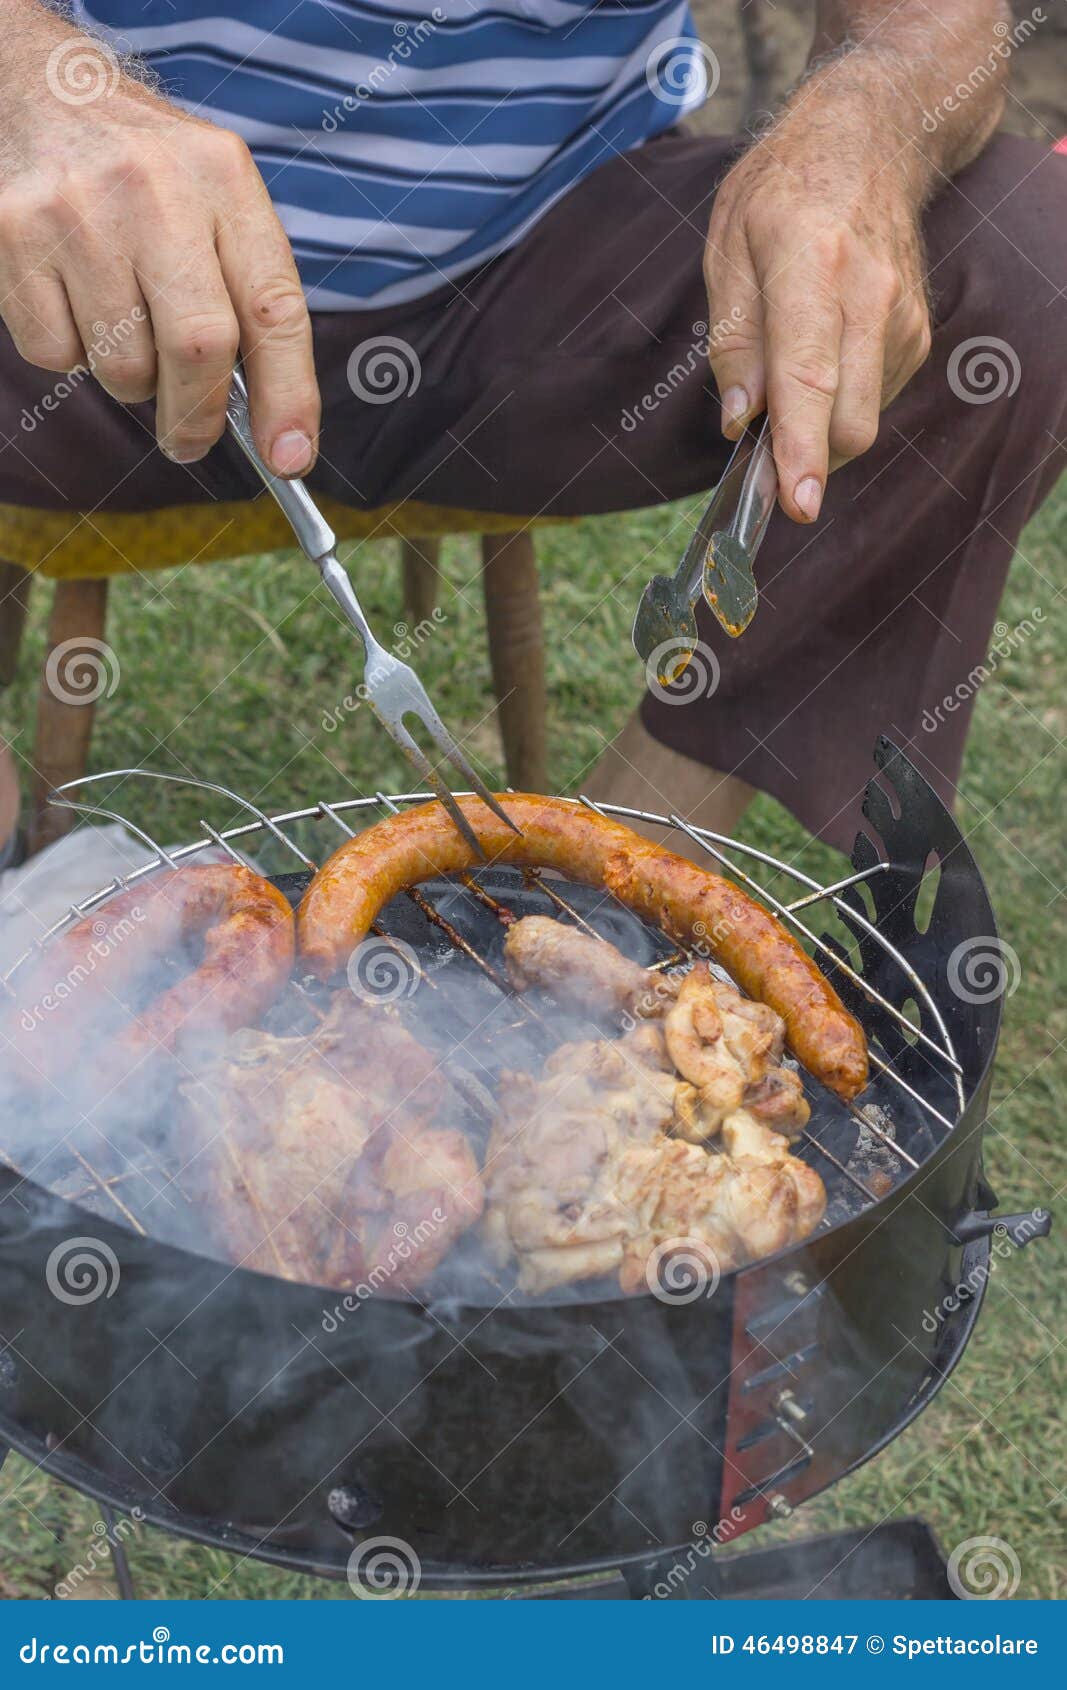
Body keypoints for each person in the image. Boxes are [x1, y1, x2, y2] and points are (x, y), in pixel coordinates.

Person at [0, 0, 1063, 864]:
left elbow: (929, 20)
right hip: (98, 316)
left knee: (1025, 254)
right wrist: (39, 92)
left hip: (553, 280)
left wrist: (850, 145)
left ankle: (626, 865)